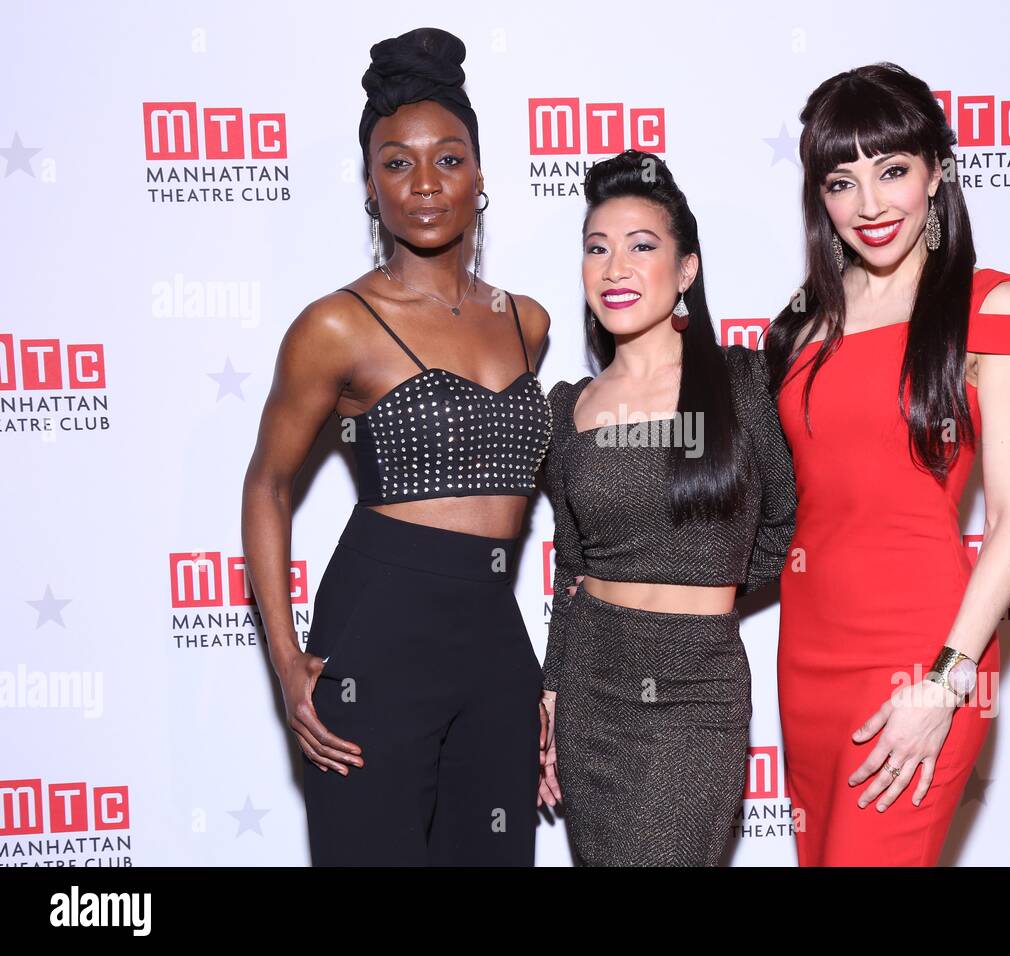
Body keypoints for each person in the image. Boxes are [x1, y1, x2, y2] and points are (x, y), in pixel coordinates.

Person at [240, 27, 553, 866]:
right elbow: (267, 486)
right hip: (378, 636)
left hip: (496, 643)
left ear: (480, 175)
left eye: (448, 160)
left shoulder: (529, 321)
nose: (424, 185)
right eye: (395, 162)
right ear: (370, 182)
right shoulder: (335, 325)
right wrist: (284, 656)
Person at [763, 63, 1010, 866]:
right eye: (841, 181)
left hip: (922, 656)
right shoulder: (804, 324)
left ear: (935, 174)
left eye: (892, 171)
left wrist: (945, 681)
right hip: (808, 655)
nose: (870, 205)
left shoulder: (991, 306)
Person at [536, 149, 797, 866]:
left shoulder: (742, 381)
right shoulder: (570, 408)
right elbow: (571, 567)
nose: (614, 268)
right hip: (593, 679)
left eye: (640, 246)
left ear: (686, 271)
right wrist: (553, 689)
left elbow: (782, 523)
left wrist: (708, 581)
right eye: (597, 249)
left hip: (695, 687)